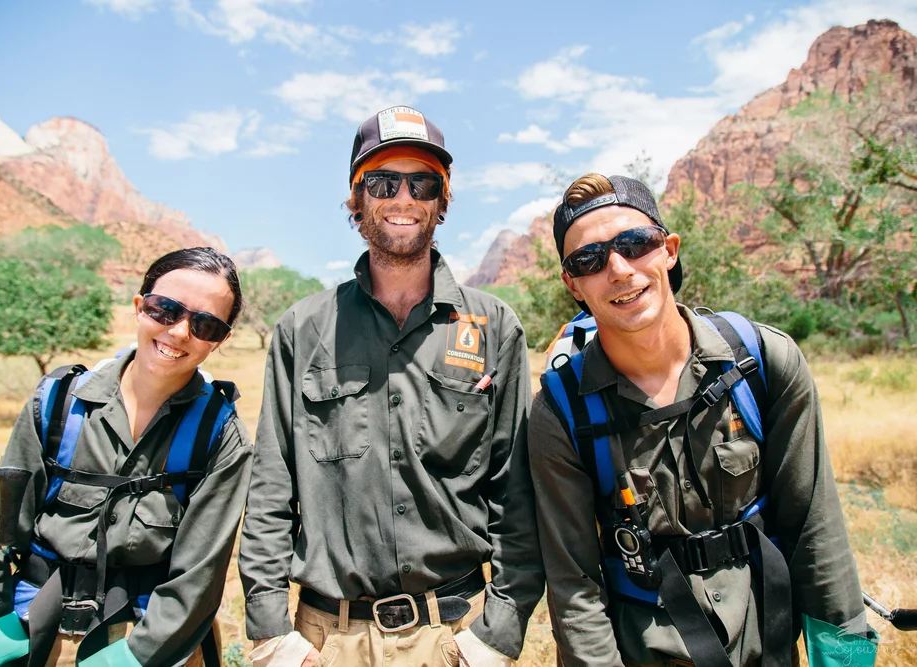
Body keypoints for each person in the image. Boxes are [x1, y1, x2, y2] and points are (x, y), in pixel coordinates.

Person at [528, 173, 877, 667]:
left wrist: (846, 661)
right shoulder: (560, 412)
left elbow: (815, 533)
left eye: (635, 243)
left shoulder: (761, 362)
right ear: (573, 284)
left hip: (768, 642)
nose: (620, 269)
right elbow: (574, 588)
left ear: (668, 249)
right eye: (590, 259)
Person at [240, 105, 544, 667]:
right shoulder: (303, 329)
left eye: (422, 182)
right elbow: (270, 486)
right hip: (324, 642)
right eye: (382, 181)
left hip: (457, 635)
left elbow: (515, 489)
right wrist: (269, 630)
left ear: (442, 200)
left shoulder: (493, 326)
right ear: (357, 202)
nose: (403, 198)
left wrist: (500, 631)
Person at [0, 247, 254, 667]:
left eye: (204, 324)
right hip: (32, 616)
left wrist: (133, 656)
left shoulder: (220, 435)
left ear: (220, 340)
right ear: (139, 306)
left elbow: (198, 576)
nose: (180, 332)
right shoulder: (58, 403)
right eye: (166, 310)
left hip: (145, 634)